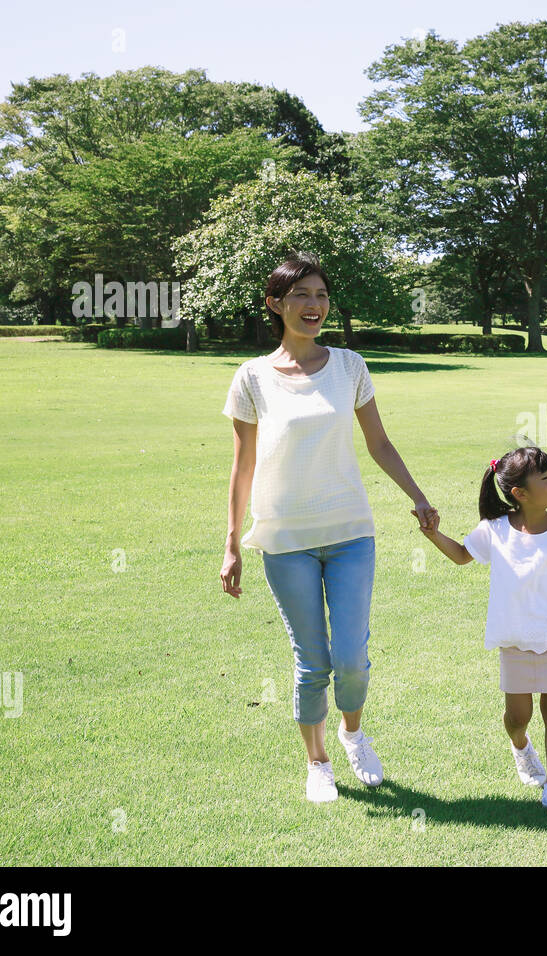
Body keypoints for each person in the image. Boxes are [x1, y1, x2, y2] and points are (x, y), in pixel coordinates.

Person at [219, 253, 438, 804]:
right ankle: (317, 762)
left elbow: (379, 443)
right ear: (276, 304)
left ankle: (353, 733)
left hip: (349, 533)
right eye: (301, 296)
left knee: (350, 657)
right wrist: (231, 542)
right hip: (284, 538)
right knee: (312, 659)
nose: (314, 305)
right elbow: (242, 464)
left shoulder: (350, 367)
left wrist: (417, 496)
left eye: (320, 295)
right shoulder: (251, 377)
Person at [414, 446, 547, 817]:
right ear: (519, 493)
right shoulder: (495, 531)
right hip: (514, 642)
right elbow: (461, 555)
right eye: (546, 479)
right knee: (518, 717)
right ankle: (521, 747)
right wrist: (433, 534)